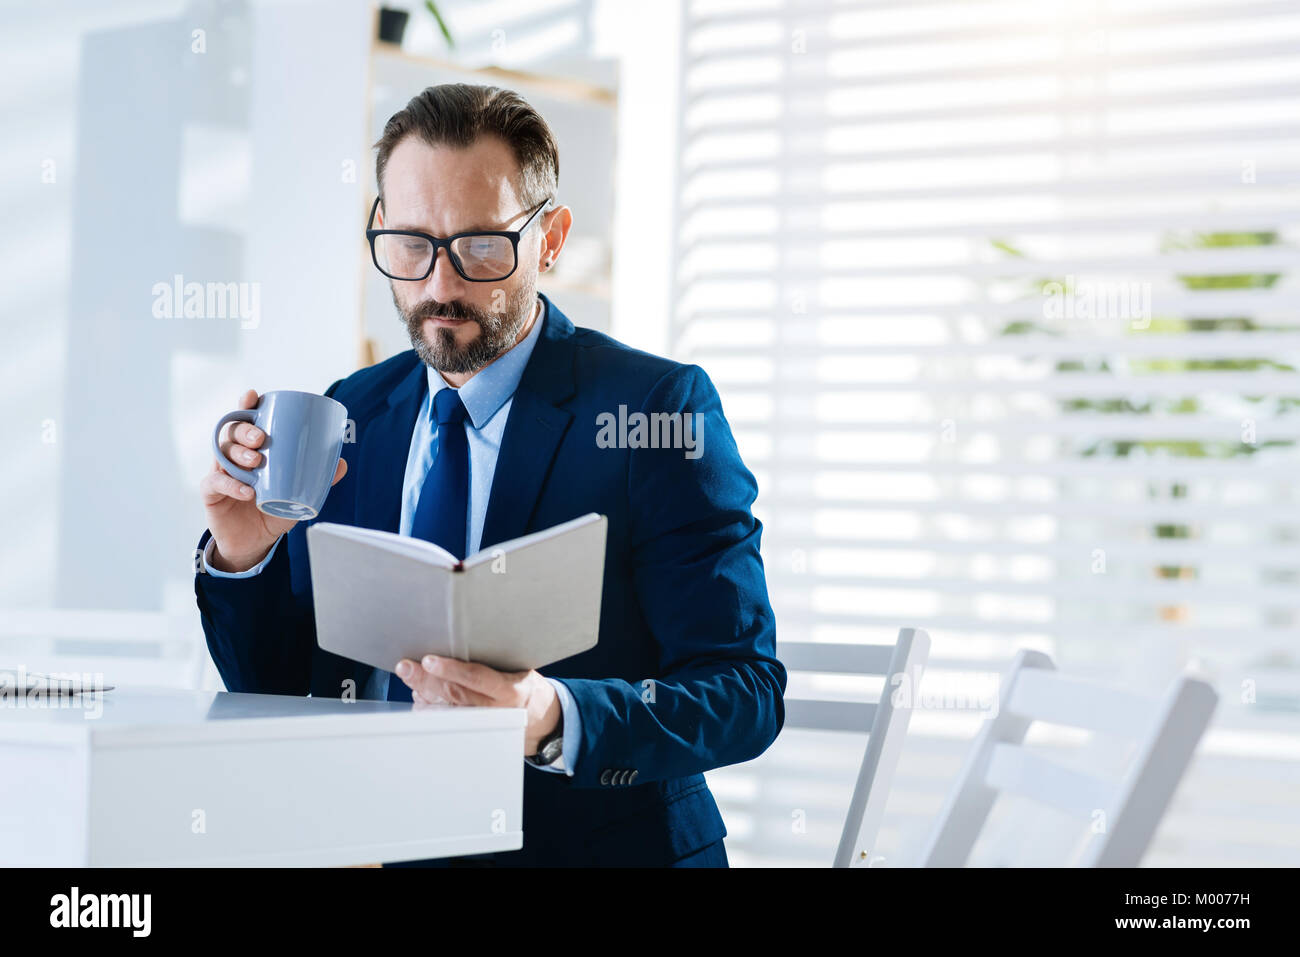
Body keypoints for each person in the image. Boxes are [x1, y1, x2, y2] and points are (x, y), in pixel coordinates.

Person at [194, 83, 785, 867]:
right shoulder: (352, 412)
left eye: (480, 245)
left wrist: (552, 715)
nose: (439, 285)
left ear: (550, 239)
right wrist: (245, 555)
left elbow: (744, 691)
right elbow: (277, 684)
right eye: (410, 243)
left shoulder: (656, 408)